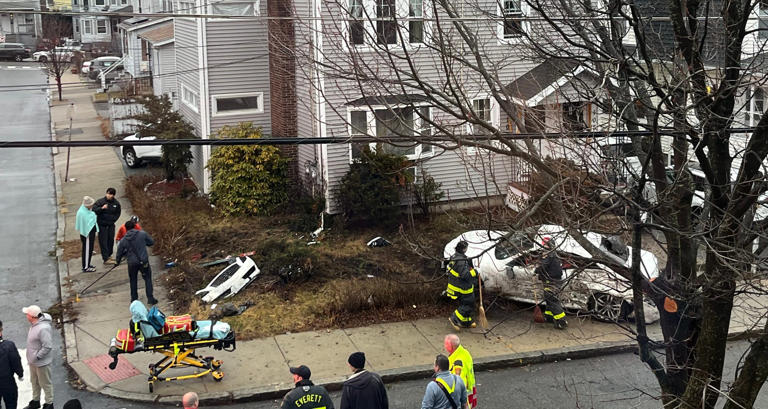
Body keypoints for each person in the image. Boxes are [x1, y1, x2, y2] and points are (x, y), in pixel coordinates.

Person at [116, 220, 158, 305]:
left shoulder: (124, 240)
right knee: (147, 279)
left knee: (133, 280)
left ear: (126, 229)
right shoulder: (142, 234)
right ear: (135, 226)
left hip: (131, 263)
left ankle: (134, 299)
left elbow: (119, 252)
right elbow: (151, 242)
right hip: (143, 261)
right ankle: (150, 298)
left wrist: (117, 261)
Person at [22, 305, 53, 409]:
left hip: (41, 363)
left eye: (27, 314)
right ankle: (36, 401)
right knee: (34, 382)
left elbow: (47, 346)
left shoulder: (43, 328)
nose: (26, 315)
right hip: (33, 362)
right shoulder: (34, 324)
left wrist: (37, 357)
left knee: (45, 384)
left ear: (33, 316)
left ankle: (49, 404)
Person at [535, 237, 567, 329]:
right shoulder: (555, 254)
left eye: (544, 244)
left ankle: (562, 321)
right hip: (554, 280)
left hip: (551, 281)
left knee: (552, 299)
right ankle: (549, 317)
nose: (542, 246)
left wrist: (536, 270)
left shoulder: (549, 255)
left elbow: (543, 266)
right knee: (549, 299)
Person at [445, 240, 477, 330]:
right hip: (463, 287)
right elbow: (465, 275)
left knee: (466, 303)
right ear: (464, 249)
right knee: (468, 304)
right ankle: (454, 318)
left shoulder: (454, 257)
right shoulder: (461, 261)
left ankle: (466, 322)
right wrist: (475, 272)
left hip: (456, 285)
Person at [444, 334, 476, 408]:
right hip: (469, 388)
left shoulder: (458, 362)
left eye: (446, 344)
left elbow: (460, 383)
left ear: (450, 346)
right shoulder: (465, 352)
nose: (445, 346)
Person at [93, 187, 121, 265]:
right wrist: (102, 208)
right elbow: (94, 210)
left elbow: (118, 213)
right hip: (102, 225)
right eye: (108, 193)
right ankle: (105, 258)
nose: (109, 195)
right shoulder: (100, 201)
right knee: (103, 242)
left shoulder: (116, 203)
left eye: (111, 194)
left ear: (113, 195)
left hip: (111, 225)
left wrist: (113, 220)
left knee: (110, 240)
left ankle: (109, 255)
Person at [0, 320, 23, 409]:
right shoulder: (8, 346)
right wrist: (20, 374)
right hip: (7, 381)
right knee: (11, 403)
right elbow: (15, 361)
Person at [75, 196, 99, 272]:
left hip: (85, 233)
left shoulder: (82, 209)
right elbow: (90, 221)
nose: (92, 206)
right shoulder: (84, 213)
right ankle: (86, 267)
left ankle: (87, 264)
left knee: (89, 249)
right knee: (87, 250)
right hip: (87, 234)